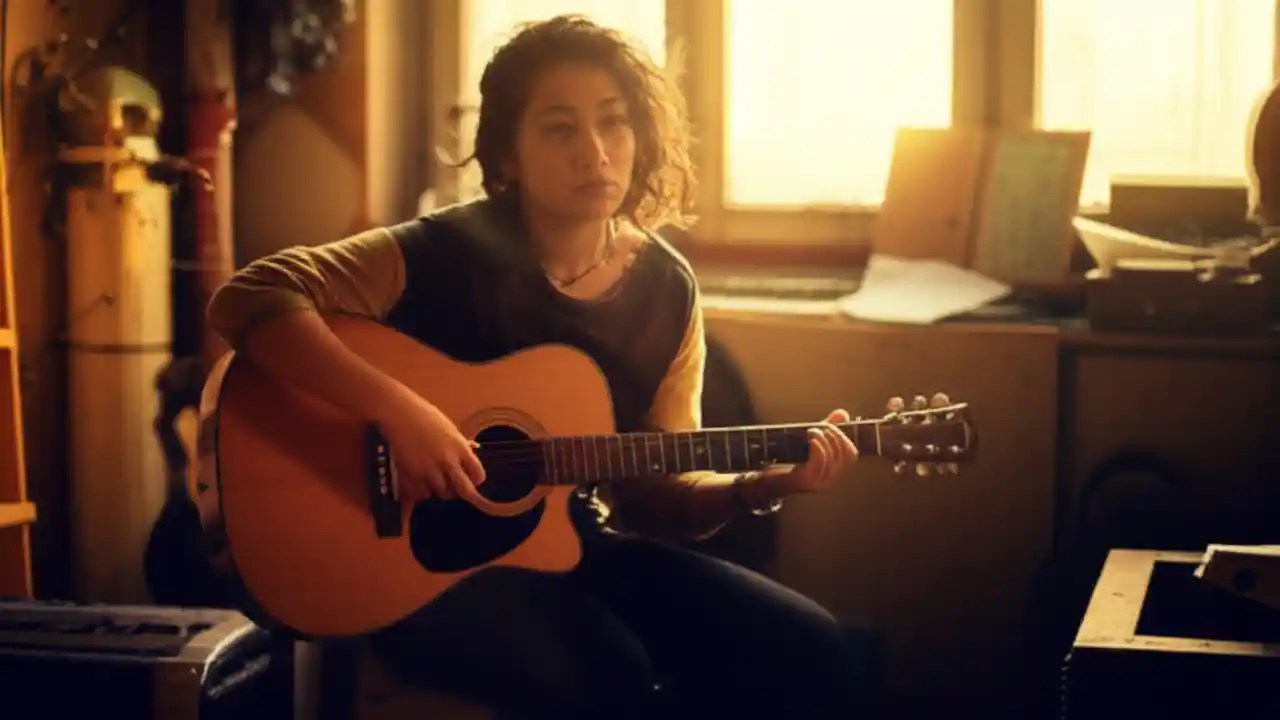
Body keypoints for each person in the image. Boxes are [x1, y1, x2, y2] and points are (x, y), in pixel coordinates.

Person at [207, 14, 862, 719]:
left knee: (813, 651)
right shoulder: (434, 251)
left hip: (564, 545)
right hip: (413, 562)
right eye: (560, 128)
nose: (594, 152)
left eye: (613, 124)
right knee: (610, 673)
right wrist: (399, 412)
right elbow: (249, 296)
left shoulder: (667, 292)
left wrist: (755, 488)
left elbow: (658, 498)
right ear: (508, 154)